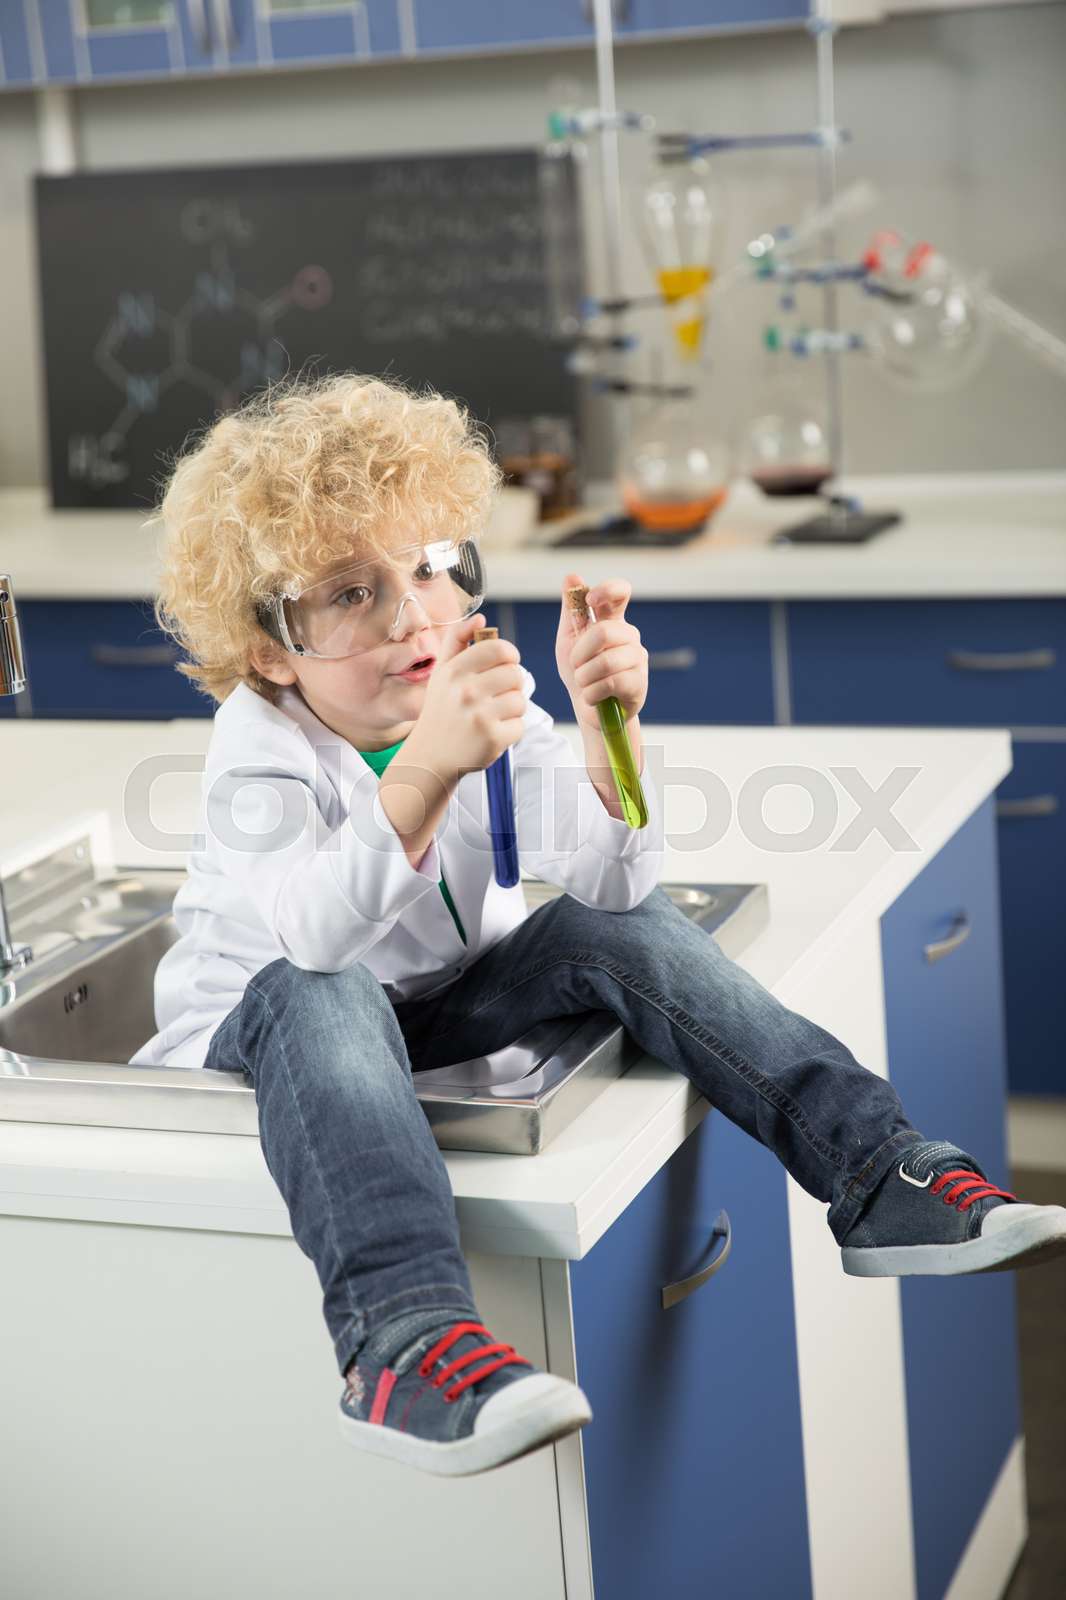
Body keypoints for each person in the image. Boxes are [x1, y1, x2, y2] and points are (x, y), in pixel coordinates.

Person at [131, 372, 1066, 1479]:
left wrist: (599, 726)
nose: (412, 613)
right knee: (320, 988)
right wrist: (430, 766)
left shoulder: (476, 687)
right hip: (277, 1031)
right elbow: (319, 941)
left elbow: (616, 885)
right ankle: (401, 1340)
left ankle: (875, 1174)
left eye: (427, 564)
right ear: (272, 650)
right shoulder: (261, 742)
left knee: (606, 931)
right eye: (348, 593)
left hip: (430, 1011)